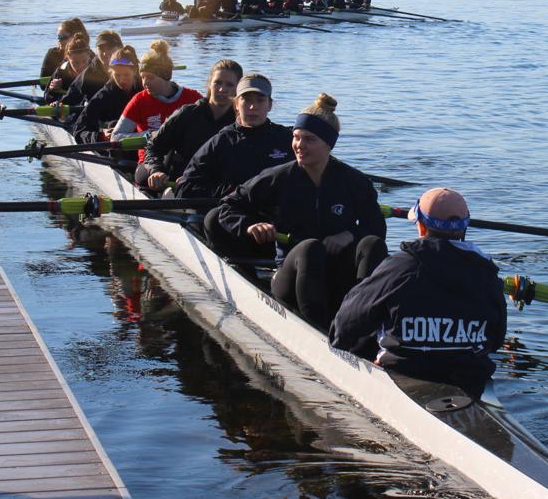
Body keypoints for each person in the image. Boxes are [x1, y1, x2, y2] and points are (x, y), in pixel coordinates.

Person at [212, 93, 387, 330]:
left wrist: (350, 235)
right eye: (296, 137)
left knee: (372, 244)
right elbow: (228, 206)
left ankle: (363, 323)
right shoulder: (278, 177)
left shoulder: (354, 182)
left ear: (328, 144)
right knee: (309, 248)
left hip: (337, 274)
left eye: (309, 139)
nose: (299, 146)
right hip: (290, 275)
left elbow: (376, 226)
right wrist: (249, 225)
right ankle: (315, 331)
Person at [331, 188, 507, 400]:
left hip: (404, 374)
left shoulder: (400, 267)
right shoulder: (487, 273)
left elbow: (343, 328)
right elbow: (496, 339)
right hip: (469, 379)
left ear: (421, 226)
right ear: (464, 227)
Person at [182, 71, 292, 204]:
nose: (253, 107)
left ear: (269, 105)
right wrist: (233, 192)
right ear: (236, 105)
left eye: (260, 100)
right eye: (247, 100)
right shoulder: (220, 142)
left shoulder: (287, 139)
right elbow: (185, 187)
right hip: (234, 213)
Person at [140, 59, 243, 193]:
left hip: (215, 188)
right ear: (209, 84)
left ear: (238, 89)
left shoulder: (240, 123)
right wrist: (156, 171)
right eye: (217, 83)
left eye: (229, 85)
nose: (222, 89)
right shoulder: (187, 114)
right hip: (178, 183)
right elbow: (153, 146)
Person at [111, 40, 203, 186]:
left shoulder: (192, 98)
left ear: (166, 76)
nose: (145, 82)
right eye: (143, 77)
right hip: (149, 162)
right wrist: (149, 135)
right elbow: (115, 137)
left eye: (151, 77)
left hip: (182, 160)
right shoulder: (139, 100)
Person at [72, 44, 141, 145]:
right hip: (116, 149)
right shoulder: (104, 96)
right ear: (111, 73)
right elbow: (78, 131)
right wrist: (100, 136)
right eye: (117, 75)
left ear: (135, 72)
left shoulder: (145, 91)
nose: (122, 80)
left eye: (126, 75)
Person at [63, 30, 122, 108]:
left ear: (120, 48)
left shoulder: (132, 68)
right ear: (96, 51)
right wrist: (59, 105)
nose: (105, 53)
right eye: (101, 49)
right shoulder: (88, 74)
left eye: (110, 48)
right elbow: (69, 99)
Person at [43, 31, 94, 104]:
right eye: (76, 63)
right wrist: (52, 90)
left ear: (89, 56)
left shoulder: (95, 71)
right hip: (68, 109)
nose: (80, 66)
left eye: (84, 61)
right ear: (68, 58)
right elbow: (47, 98)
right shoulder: (61, 72)